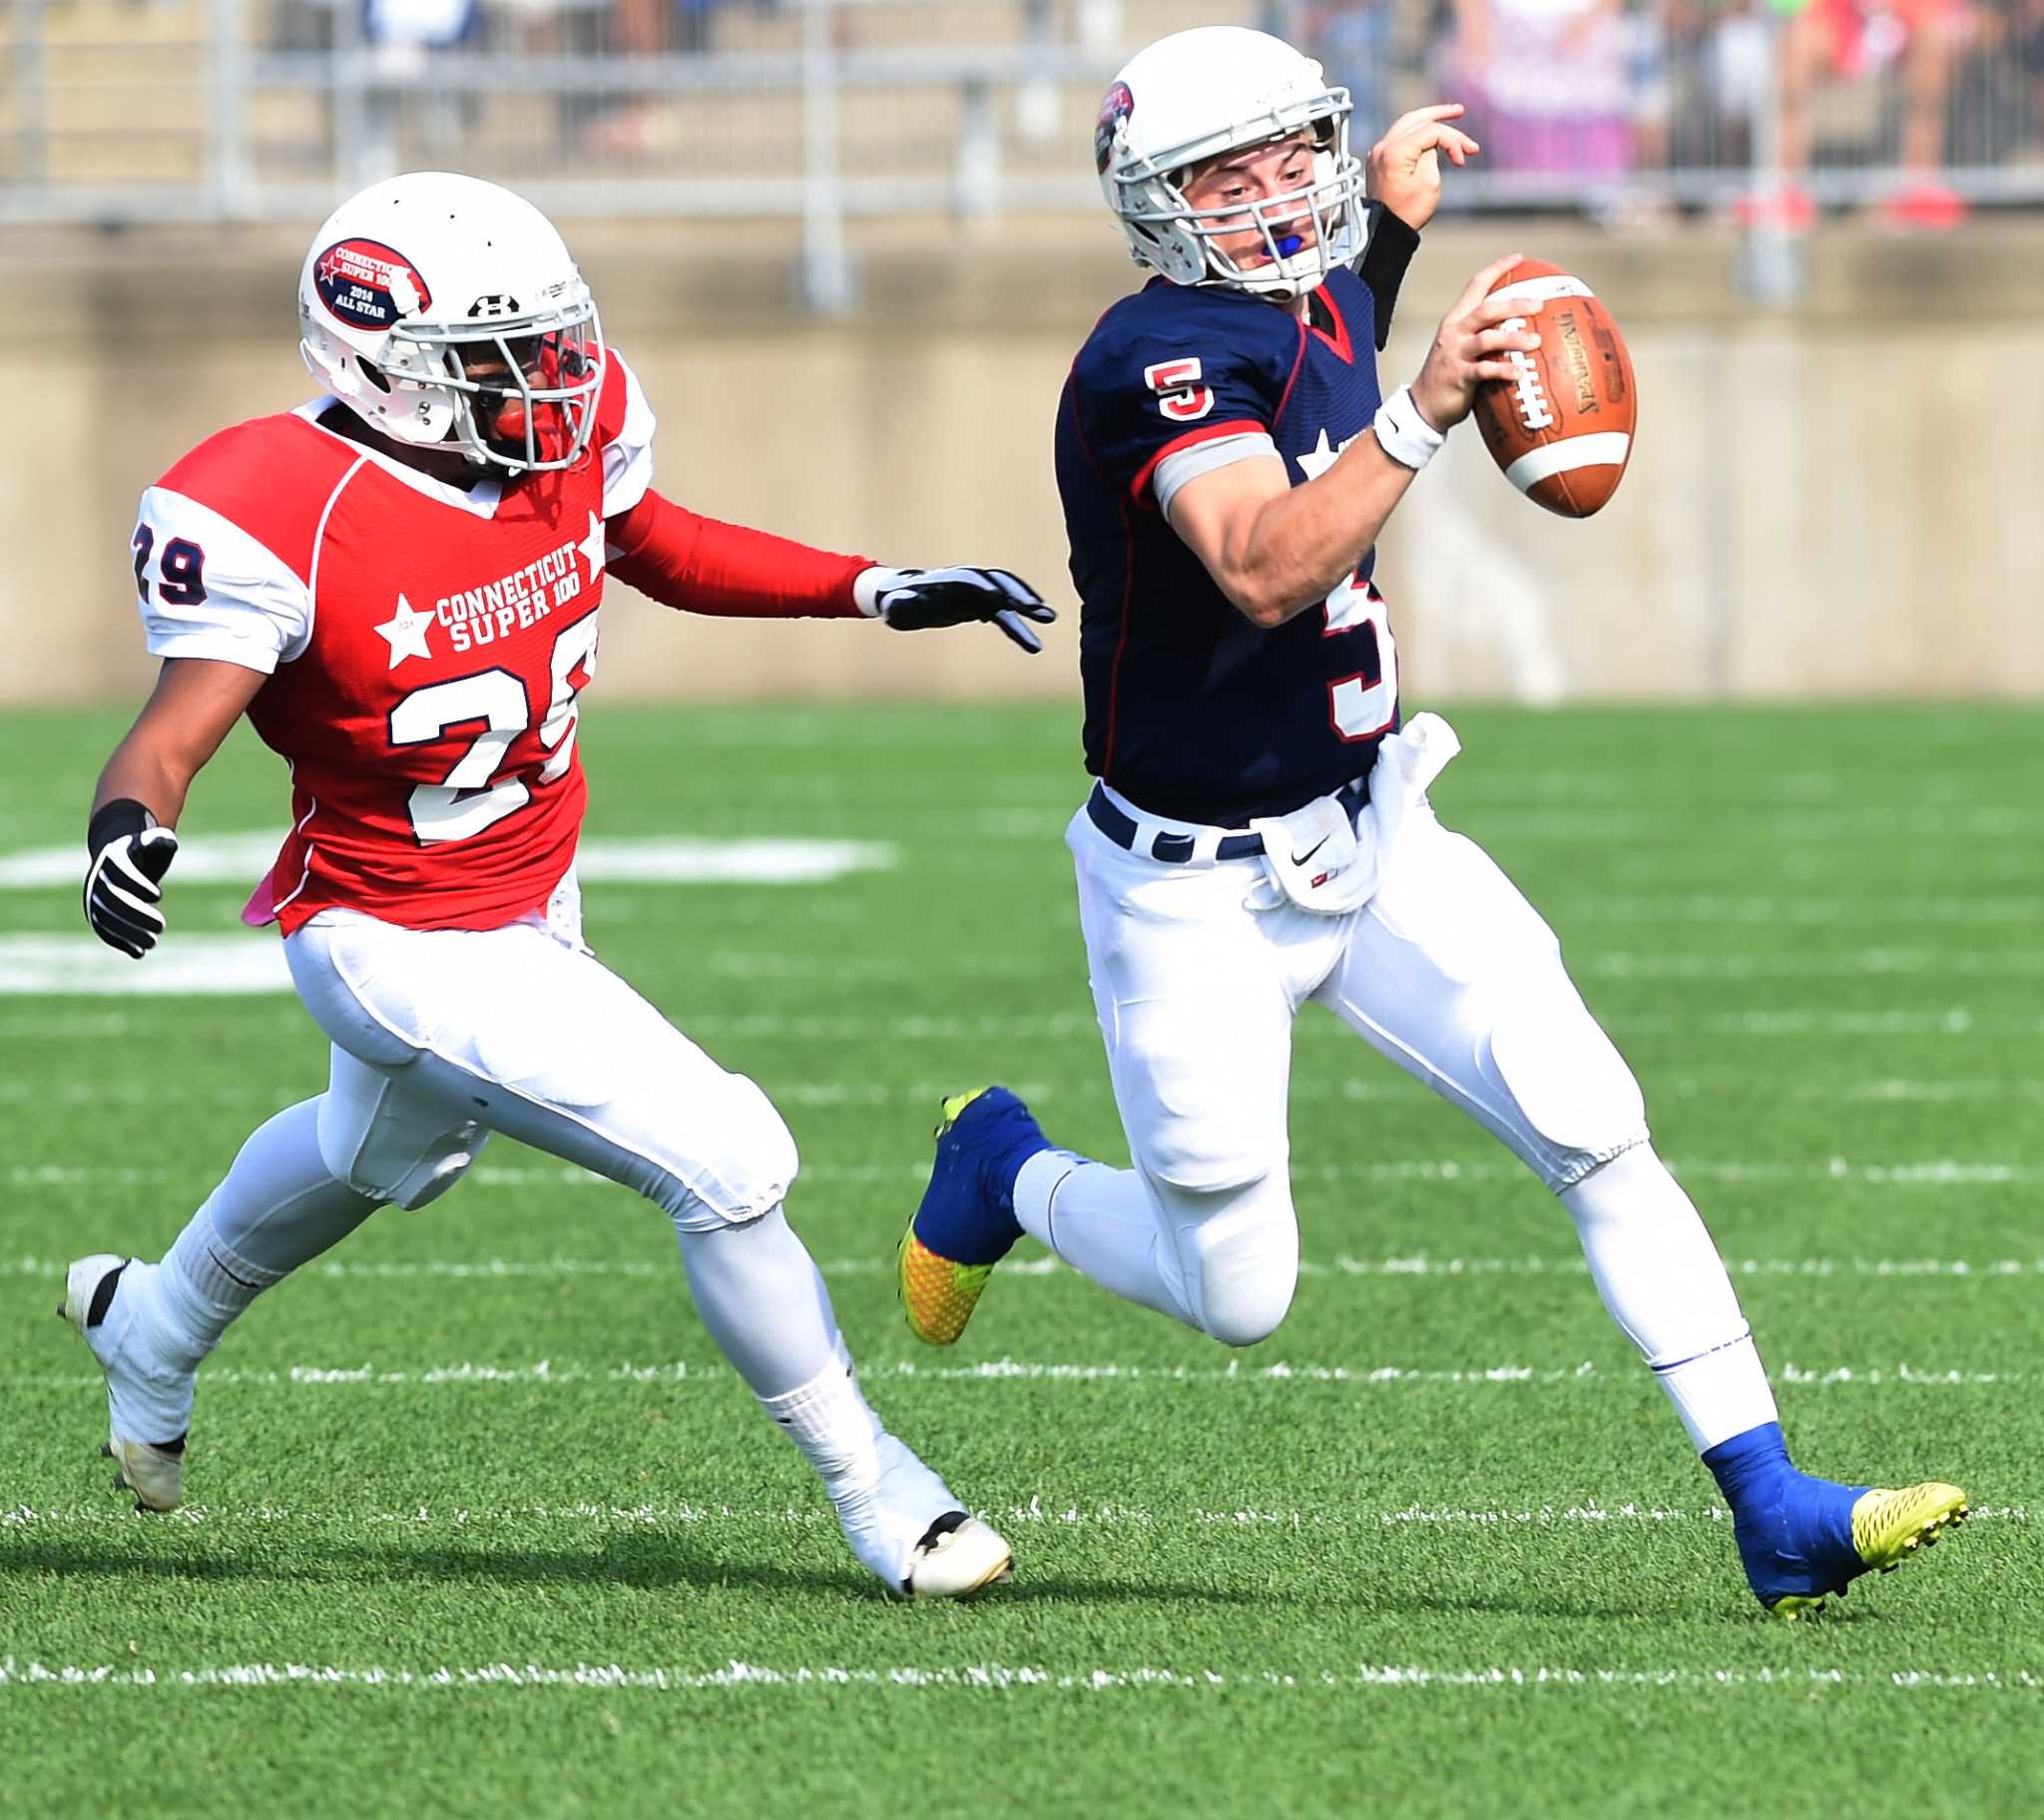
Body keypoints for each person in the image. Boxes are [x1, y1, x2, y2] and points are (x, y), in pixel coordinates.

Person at [896, 25, 1967, 1619]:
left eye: (1294, 158)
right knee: (1238, 1295)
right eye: (1230, 177)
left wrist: (1391, 221)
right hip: (1192, 890)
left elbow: (1339, 331)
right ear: (1160, 204)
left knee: (1593, 1117)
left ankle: (1773, 1504)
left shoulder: (1314, 299)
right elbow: (1262, 562)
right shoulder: (1151, 357)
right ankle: (1003, 1168)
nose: (1279, 197)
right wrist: (1423, 412)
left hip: (1368, 826)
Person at [68, 169, 1053, 1600]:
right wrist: (128, 827)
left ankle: (152, 1330)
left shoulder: (558, 429)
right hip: (393, 938)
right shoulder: (278, 507)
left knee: (373, 1156)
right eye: (498, 353)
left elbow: (660, 545)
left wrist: (869, 585)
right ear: (388, 369)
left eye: (550, 336)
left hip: (530, 890)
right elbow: (169, 736)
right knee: (728, 1160)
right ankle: (883, 1493)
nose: (550, 375)